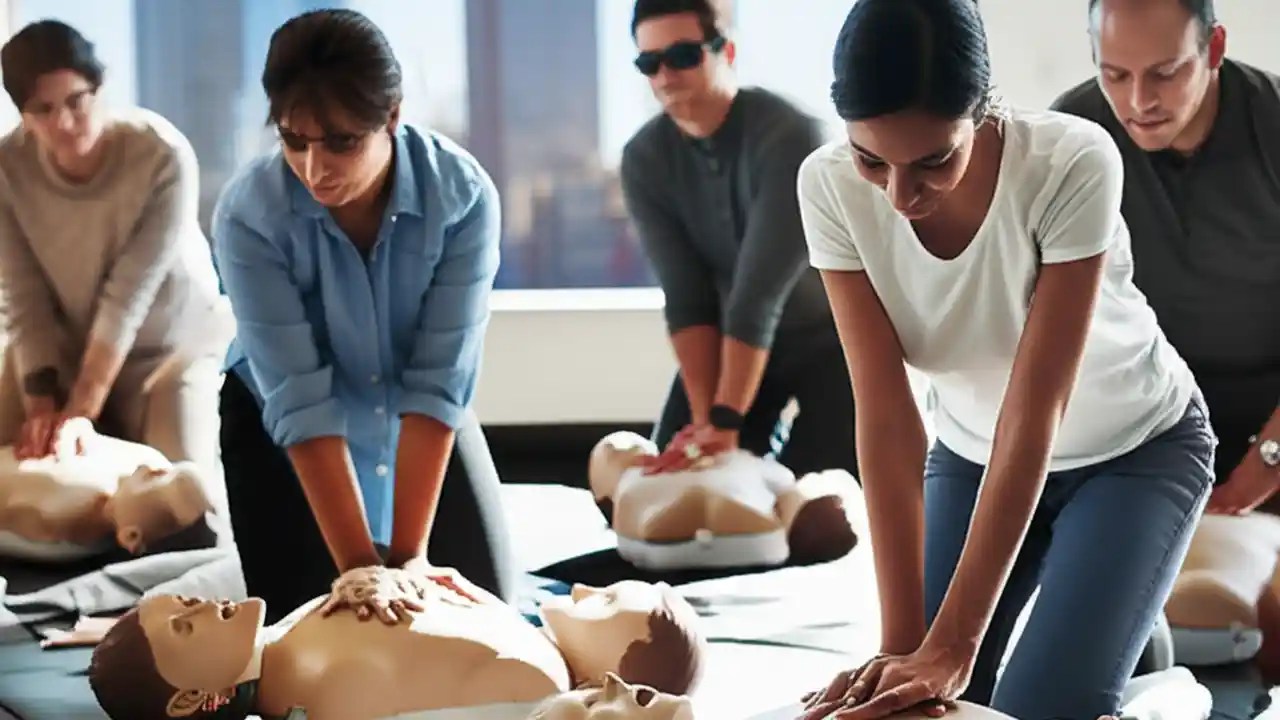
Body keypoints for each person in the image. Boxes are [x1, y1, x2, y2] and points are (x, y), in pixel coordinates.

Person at [794, 1, 1214, 719]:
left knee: (1036, 708)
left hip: (1135, 452)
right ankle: (1117, 622)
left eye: (933, 161)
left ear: (982, 113)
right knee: (918, 696)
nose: (900, 196)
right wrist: (905, 645)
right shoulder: (827, 187)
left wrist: (953, 641)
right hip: (969, 454)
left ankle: (1154, 680)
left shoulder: (1072, 162)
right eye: (872, 159)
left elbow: (1035, 407)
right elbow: (888, 417)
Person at [211, 8, 514, 624]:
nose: (315, 170)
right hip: (281, 423)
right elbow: (300, 399)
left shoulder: (464, 198)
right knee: (312, 639)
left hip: (415, 411)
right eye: (294, 141)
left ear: (393, 117)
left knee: (487, 615)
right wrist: (362, 575)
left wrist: (409, 563)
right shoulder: (247, 217)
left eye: (342, 142)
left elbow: (438, 382)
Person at [1051, 0, 1280, 517]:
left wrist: (1249, 483)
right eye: (1115, 74)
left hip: (1268, 433)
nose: (1139, 101)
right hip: (1139, 434)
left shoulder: (1273, 124)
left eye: (1166, 73)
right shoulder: (1070, 138)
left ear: (1214, 48)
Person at [0, 21, 229, 520]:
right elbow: (23, 296)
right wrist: (43, 406)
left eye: (77, 100)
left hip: (166, 351)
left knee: (181, 504)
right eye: (43, 109)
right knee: (21, 457)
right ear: (23, 114)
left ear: (100, 89)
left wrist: (81, 412)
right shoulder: (6, 168)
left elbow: (128, 297)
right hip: (62, 346)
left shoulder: (161, 155)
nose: (64, 121)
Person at [620, 0, 857, 479]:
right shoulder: (643, 158)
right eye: (650, 62)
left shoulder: (792, 134)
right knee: (677, 476)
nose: (665, 75)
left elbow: (759, 292)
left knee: (818, 504)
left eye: (684, 55)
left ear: (725, 50)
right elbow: (686, 298)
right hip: (735, 341)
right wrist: (708, 422)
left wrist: (727, 421)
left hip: (832, 340)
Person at [87, 569, 705, 720]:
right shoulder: (302, 685)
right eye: (185, 624)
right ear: (192, 699)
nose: (201, 602)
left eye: (185, 602)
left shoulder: (292, 638)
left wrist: (387, 574)